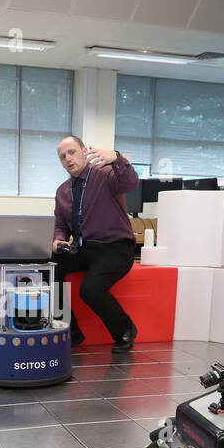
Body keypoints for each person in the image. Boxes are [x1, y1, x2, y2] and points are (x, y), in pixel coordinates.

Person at [52, 135, 139, 353]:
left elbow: (130, 182)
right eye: (63, 157)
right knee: (49, 268)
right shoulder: (63, 191)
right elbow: (60, 224)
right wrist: (59, 239)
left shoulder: (107, 173)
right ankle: (70, 331)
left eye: (72, 152)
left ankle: (125, 329)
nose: (68, 159)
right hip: (84, 248)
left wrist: (117, 158)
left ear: (84, 151)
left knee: (90, 289)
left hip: (116, 247)